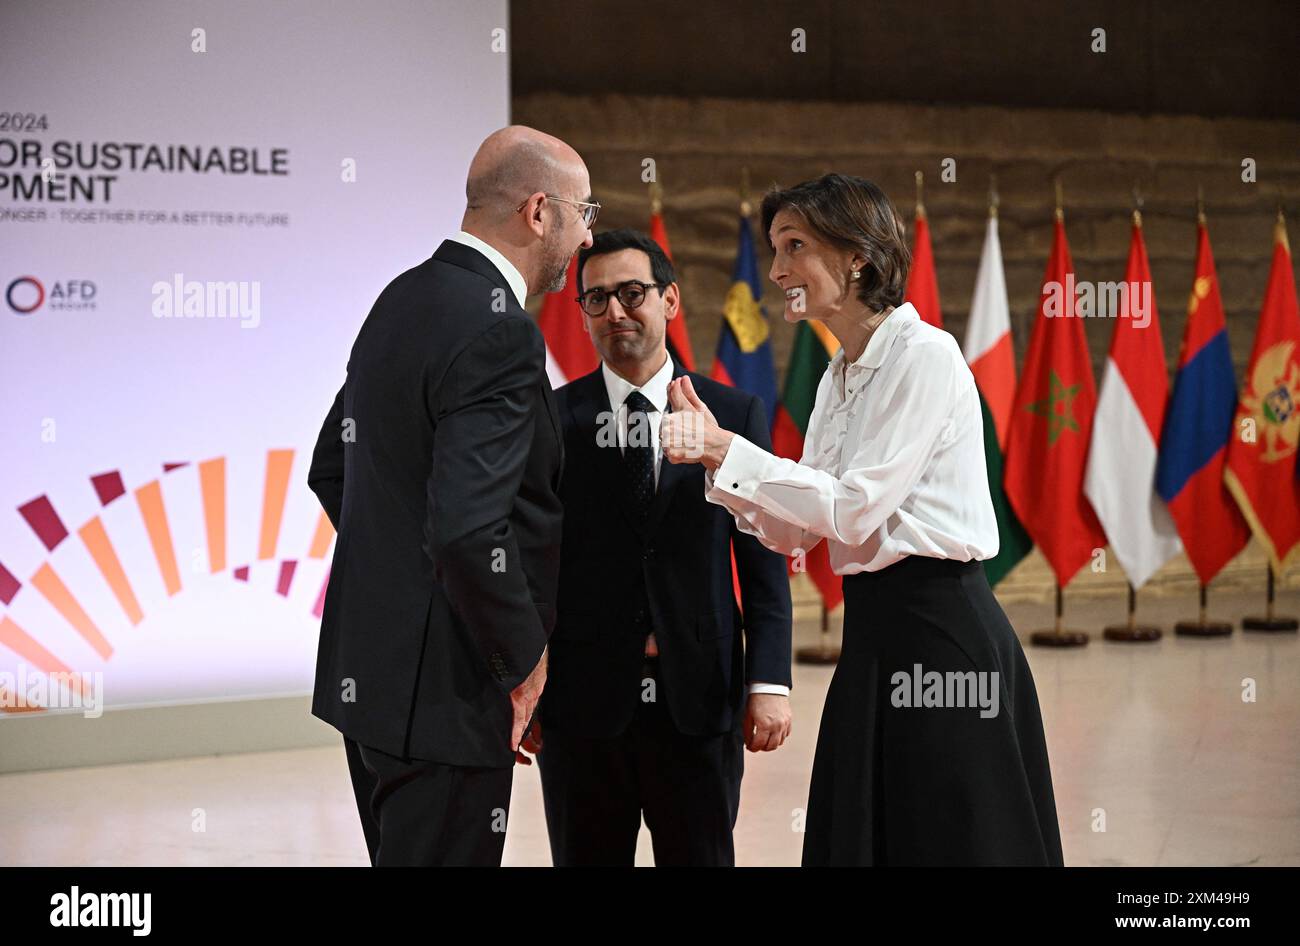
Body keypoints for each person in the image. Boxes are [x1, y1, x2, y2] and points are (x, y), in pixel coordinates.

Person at [660, 173, 1064, 866]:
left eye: (795, 247)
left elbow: (854, 507)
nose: (778, 269)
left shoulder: (925, 357)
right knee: (874, 833)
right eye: (775, 248)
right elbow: (800, 529)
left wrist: (732, 450)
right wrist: (718, 471)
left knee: (948, 835)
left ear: (858, 257)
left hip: (943, 632)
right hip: (876, 632)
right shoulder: (838, 373)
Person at [307, 126, 596, 866]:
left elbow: (331, 470)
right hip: (448, 693)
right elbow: (469, 529)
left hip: (371, 679)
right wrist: (522, 659)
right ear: (540, 212)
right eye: (584, 212)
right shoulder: (498, 330)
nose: (587, 234)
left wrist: (408, 588)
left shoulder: (400, 299)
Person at [536, 228, 793, 866]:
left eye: (632, 293)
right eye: (596, 299)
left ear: (670, 300)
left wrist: (769, 681)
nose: (615, 311)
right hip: (583, 707)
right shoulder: (550, 420)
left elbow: (764, 563)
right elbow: (529, 568)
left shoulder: (732, 411)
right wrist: (525, 683)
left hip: (700, 700)